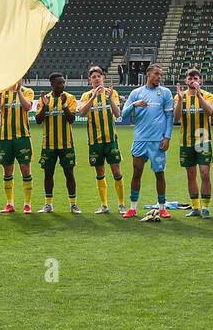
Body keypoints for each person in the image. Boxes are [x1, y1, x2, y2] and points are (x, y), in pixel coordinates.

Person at [117, 64, 173, 220]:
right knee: (137, 173)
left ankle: (162, 208)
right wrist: (135, 104)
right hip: (140, 140)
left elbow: (170, 117)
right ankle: (133, 208)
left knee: (159, 174)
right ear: (148, 74)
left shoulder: (165, 93)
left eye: (160, 75)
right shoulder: (136, 93)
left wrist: (167, 137)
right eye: (156, 74)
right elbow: (124, 113)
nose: (159, 77)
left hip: (158, 141)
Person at [78, 65, 126, 215]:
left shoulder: (113, 93)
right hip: (95, 141)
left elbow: (118, 114)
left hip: (111, 140)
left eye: (99, 76)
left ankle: (121, 204)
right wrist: (93, 97)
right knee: (99, 172)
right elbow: (82, 113)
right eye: (93, 77)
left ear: (103, 78)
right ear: (89, 80)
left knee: (116, 172)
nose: (96, 79)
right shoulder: (86, 96)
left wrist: (110, 98)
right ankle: (104, 205)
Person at [35, 72, 79, 214]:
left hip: (66, 144)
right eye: (59, 83)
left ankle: (73, 204)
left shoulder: (70, 98)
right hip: (48, 145)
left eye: (63, 82)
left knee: (69, 173)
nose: (62, 85)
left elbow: (71, 119)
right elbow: (38, 120)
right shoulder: (44, 99)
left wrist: (65, 104)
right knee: (48, 174)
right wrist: (46, 107)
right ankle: (48, 204)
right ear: (52, 84)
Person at [173, 69, 213, 217]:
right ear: (186, 81)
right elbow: (176, 117)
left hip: (202, 138)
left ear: (200, 81)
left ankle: (206, 207)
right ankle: (196, 207)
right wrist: (180, 100)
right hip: (186, 140)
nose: (192, 80)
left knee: (205, 173)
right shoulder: (180, 96)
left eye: (195, 78)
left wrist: (198, 95)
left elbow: (210, 111)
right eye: (190, 78)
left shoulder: (208, 95)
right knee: (191, 175)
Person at [0, 79, 35, 213]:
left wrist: (18, 91)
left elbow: (27, 107)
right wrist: (0, 93)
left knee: (25, 169)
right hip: (5, 138)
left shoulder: (27, 91)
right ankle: (9, 204)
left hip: (22, 137)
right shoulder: (3, 92)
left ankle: (27, 204)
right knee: (7, 171)